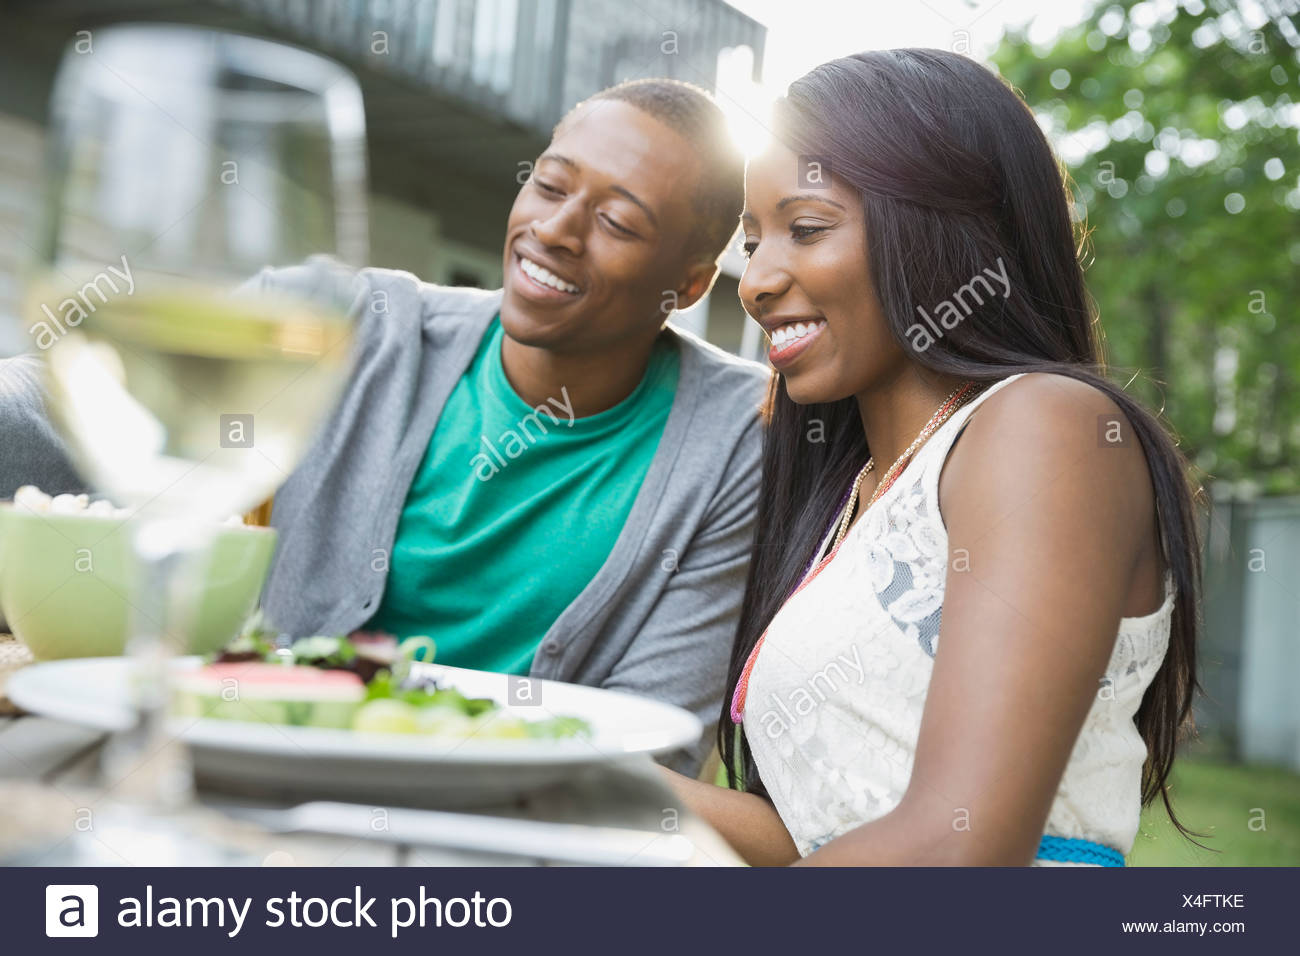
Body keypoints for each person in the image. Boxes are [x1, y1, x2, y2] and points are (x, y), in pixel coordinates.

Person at [1, 78, 768, 776]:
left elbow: (659, 743)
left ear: (690, 283)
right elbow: (56, 406)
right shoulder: (350, 328)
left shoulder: (732, 439)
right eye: (549, 185)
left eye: (617, 223)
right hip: (240, 765)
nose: (557, 230)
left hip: (493, 833)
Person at [663, 49, 1205, 864]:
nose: (758, 278)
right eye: (752, 238)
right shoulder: (852, 494)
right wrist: (566, 775)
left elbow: (961, 848)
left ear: (942, 226)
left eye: (805, 228)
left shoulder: (1044, 427)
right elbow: (818, 839)